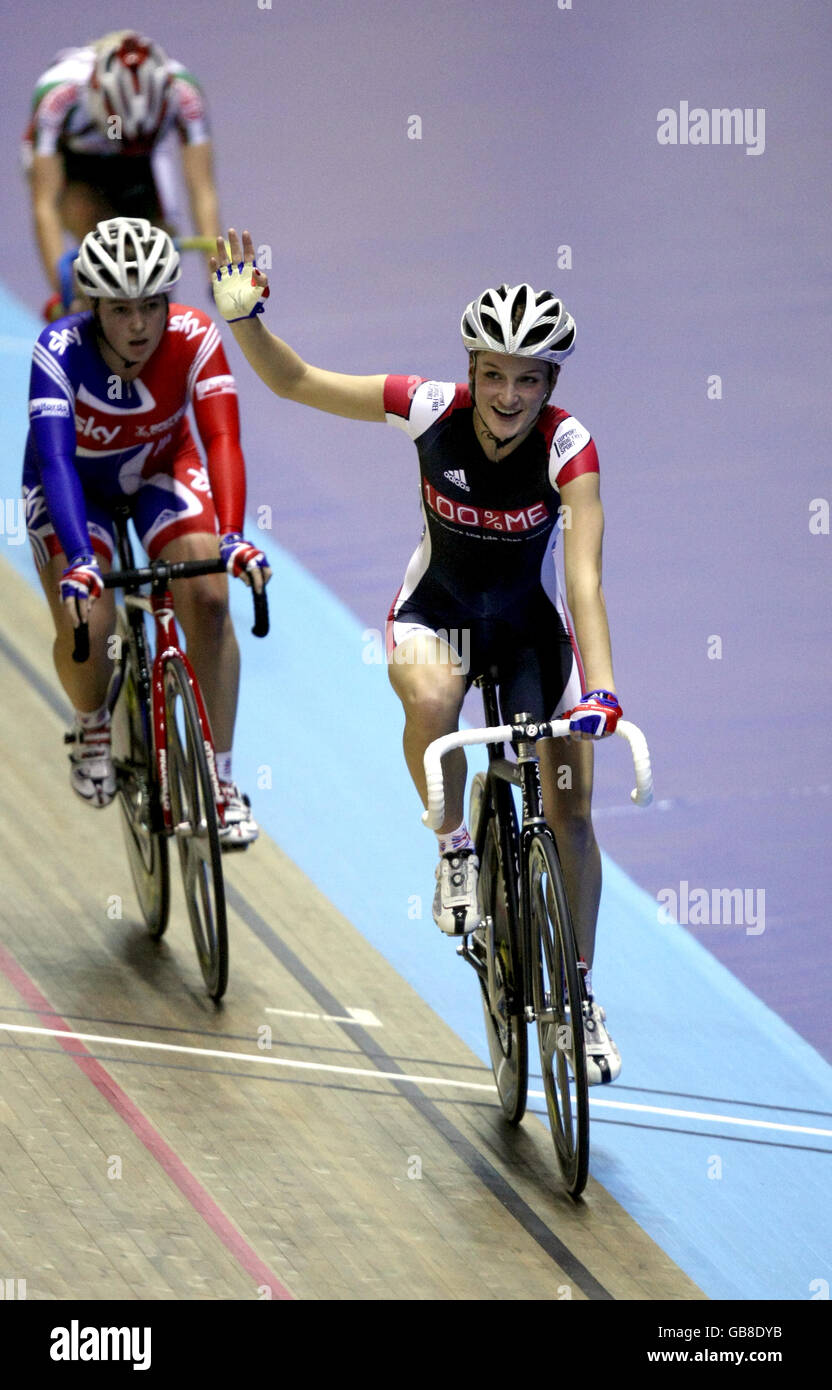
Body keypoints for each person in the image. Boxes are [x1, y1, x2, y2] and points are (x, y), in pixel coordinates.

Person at [209, 229, 623, 1082]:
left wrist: (606, 690)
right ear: (470, 371)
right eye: (495, 373)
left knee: (574, 809)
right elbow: (297, 382)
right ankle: (453, 848)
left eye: (529, 378)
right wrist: (247, 322)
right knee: (432, 704)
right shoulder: (426, 405)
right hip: (439, 615)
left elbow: (583, 580)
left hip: (533, 631)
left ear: (551, 385)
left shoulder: (568, 448)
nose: (509, 394)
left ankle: (579, 997)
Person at [23, 217, 270, 847]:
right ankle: (91, 722)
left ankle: (219, 779)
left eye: (152, 306)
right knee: (90, 624)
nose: (140, 325)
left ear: (170, 301)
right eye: (121, 309)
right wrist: (79, 556)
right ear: (92, 306)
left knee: (211, 599)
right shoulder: (57, 352)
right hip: (76, 490)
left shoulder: (194, 336)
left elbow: (221, 438)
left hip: (163, 468)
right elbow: (54, 461)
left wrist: (234, 536)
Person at [22, 31, 219, 315]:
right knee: (98, 252)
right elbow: (45, 205)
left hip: (141, 164)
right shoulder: (57, 97)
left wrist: (217, 275)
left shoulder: (185, 94)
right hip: (75, 162)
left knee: (155, 258)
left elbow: (202, 190)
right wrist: (64, 292)